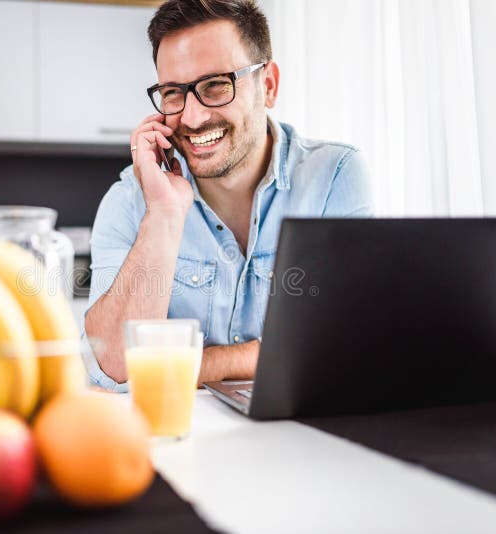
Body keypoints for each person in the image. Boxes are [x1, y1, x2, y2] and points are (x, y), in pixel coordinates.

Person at [83, 0, 372, 392]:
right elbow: (115, 369)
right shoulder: (131, 202)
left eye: (216, 85)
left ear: (267, 85)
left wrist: (187, 364)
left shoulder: (334, 177)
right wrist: (165, 213)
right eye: (173, 93)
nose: (192, 117)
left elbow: (350, 348)